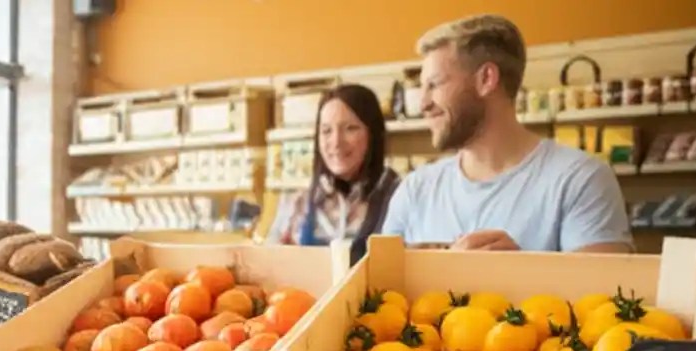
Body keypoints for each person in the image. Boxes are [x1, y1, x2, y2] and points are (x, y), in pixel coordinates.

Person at [382, 15, 633, 253]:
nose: (423, 103)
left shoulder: (580, 180)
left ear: (486, 79)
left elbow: (605, 295)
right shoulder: (414, 190)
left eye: (435, 84)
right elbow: (380, 292)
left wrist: (515, 269)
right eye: (422, 88)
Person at [266, 84, 401, 264]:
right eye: (326, 131)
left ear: (374, 134)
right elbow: (269, 267)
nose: (336, 141)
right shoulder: (297, 205)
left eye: (350, 128)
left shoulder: (400, 198)